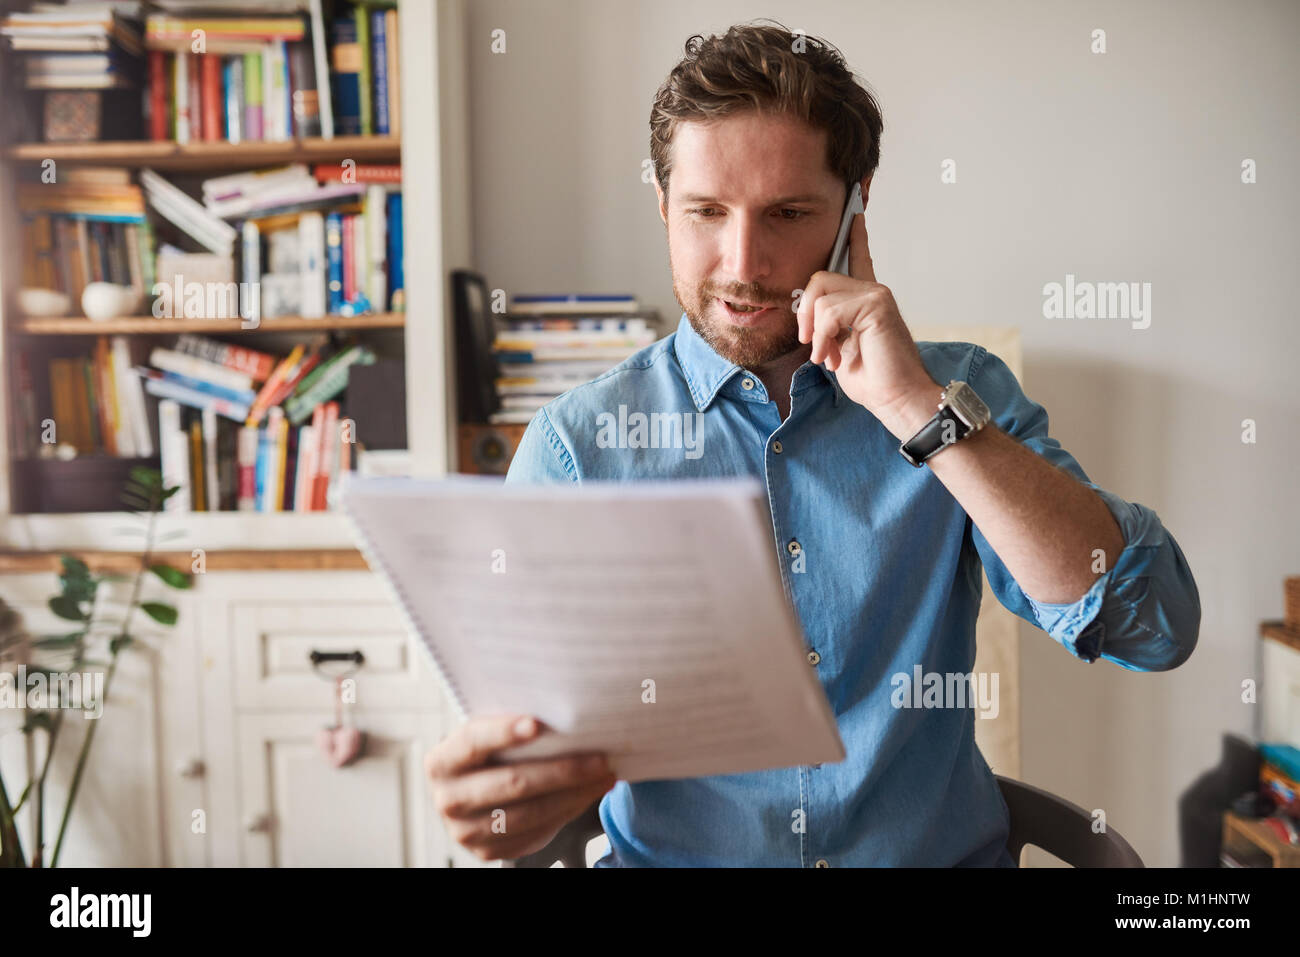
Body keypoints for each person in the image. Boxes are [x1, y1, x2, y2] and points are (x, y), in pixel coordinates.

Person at [424, 20, 1200, 867]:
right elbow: (522, 773)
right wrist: (506, 797)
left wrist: (916, 411)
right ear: (662, 205)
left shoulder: (961, 395)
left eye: (788, 213)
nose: (743, 263)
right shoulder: (577, 449)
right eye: (705, 212)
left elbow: (1153, 625)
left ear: (855, 208)